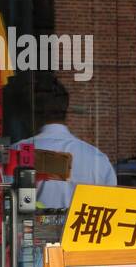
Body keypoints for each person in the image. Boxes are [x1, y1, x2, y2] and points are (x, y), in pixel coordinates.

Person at [21, 77, 117, 211]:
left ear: (32, 112)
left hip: (32, 230)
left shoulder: (18, 152)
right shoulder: (98, 159)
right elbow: (109, 210)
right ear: (65, 109)